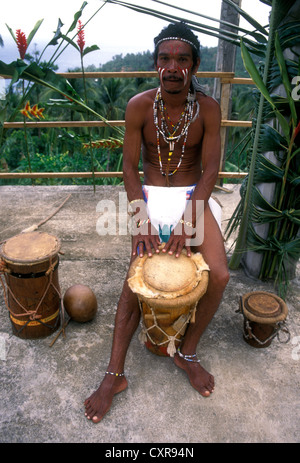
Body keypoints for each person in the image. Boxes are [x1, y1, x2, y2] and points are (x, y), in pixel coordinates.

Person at [84, 21, 230, 423]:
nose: (173, 66)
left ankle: (188, 352)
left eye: (182, 59)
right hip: (148, 198)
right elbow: (129, 170)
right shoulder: (138, 106)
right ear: (155, 64)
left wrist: (190, 216)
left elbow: (212, 168)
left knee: (218, 276)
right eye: (165, 58)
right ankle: (114, 375)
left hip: (191, 197)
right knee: (134, 283)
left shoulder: (210, 110)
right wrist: (140, 217)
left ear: (195, 65)